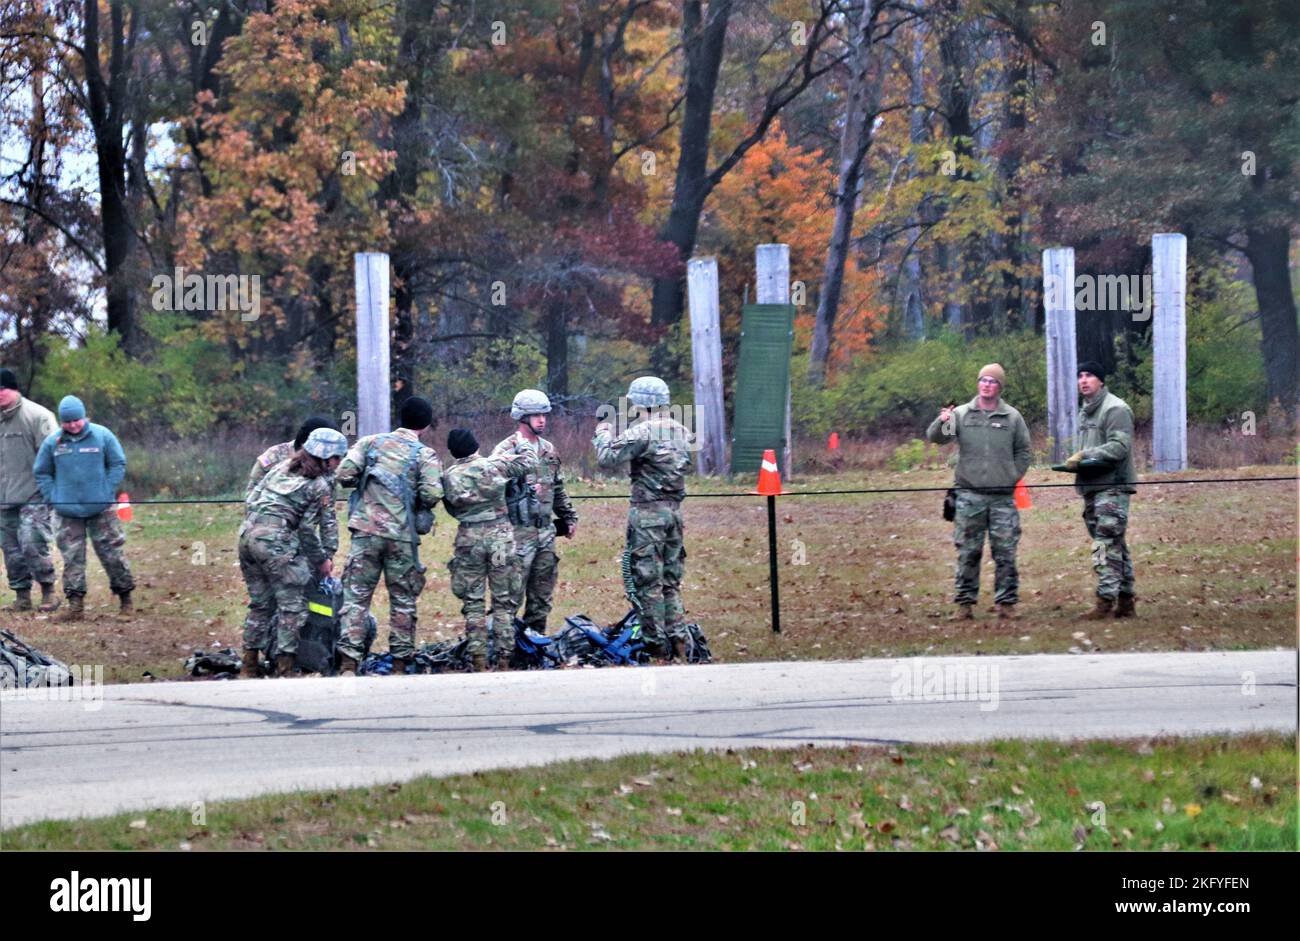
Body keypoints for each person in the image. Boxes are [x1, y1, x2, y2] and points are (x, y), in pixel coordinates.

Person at [334, 396, 443, 675]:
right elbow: (432, 494)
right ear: (426, 425)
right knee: (403, 601)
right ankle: (399, 664)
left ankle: (348, 662)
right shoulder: (425, 455)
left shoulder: (369, 443)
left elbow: (344, 474)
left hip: (365, 533)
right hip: (401, 537)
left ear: (400, 418)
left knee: (356, 599)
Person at [593, 376, 694, 661]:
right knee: (670, 584)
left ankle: (657, 649)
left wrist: (602, 429)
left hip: (648, 514)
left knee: (647, 584)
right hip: (674, 513)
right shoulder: (682, 431)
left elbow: (607, 456)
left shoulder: (642, 432)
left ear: (640, 403)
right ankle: (680, 648)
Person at [925, 364, 1032, 620]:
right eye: (983, 380)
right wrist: (942, 422)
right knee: (968, 552)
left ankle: (1006, 605)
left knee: (1005, 552)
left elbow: (1024, 451)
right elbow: (938, 438)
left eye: (992, 381)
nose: (987, 385)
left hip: (1002, 499)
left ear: (999, 387)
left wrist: (1010, 476)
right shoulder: (962, 414)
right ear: (978, 384)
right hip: (969, 495)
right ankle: (964, 604)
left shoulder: (1012, 417)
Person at [238, 428, 347, 677]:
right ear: (326, 457)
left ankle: (249, 666)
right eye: (337, 458)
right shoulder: (318, 485)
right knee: (292, 606)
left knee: (260, 605)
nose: (339, 463)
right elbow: (309, 531)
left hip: (246, 537)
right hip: (274, 543)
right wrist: (322, 560)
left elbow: (252, 499)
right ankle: (285, 669)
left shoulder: (280, 468)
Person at [32, 395, 134, 620]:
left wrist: (107, 489)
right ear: (62, 422)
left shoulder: (102, 435)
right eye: (68, 422)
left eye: (77, 420)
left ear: (84, 417)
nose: (73, 425)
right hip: (67, 512)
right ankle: (75, 605)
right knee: (72, 559)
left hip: (101, 509)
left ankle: (126, 600)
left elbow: (118, 463)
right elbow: (42, 472)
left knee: (113, 554)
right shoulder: (53, 442)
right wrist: (54, 497)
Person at [442, 429, 535, 671]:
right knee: (503, 600)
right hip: (499, 539)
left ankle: (479, 659)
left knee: (473, 602)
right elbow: (530, 462)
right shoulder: (495, 466)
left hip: (469, 540)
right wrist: (521, 442)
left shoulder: (449, 476)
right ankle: (504, 658)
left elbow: (450, 508)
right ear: (476, 445)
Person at [491, 389, 578, 634]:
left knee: (541, 599)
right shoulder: (505, 451)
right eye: (536, 415)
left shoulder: (549, 449)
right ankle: (502, 653)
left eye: (544, 415)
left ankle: (534, 650)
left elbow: (558, 486)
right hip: (516, 534)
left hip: (545, 533)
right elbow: (491, 490)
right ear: (522, 417)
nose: (542, 420)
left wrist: (568, 517)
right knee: (509, 597)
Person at [1065, 362, 1137, 619]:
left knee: (1104, 544)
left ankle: (1105, 602)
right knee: (1116, 544)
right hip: (1092, 487)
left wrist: (1085, 454)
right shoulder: (1086, 412)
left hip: (1113, 486)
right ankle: (1126, 601)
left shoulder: (1115, 409)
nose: (1084, 380)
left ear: (1102, 381)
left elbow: (1119, 447)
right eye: (1080, 376)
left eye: (1090, 376)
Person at [0, 369, 60, 612]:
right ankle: (21, 597)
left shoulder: (38, 416)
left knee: (32, 543)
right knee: (10, 549)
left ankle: (49, 592)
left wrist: (52, 493)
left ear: (15, 389)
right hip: (4, 497)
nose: (0, 394)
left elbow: (53, 457)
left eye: (4, 389)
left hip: (34, 495)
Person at [247, 416, 341, 567]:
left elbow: (326, 511)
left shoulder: (328, 461)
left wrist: (327, 555)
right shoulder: (274, 457)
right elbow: (252, 498)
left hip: (306, 534)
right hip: (272, 533)